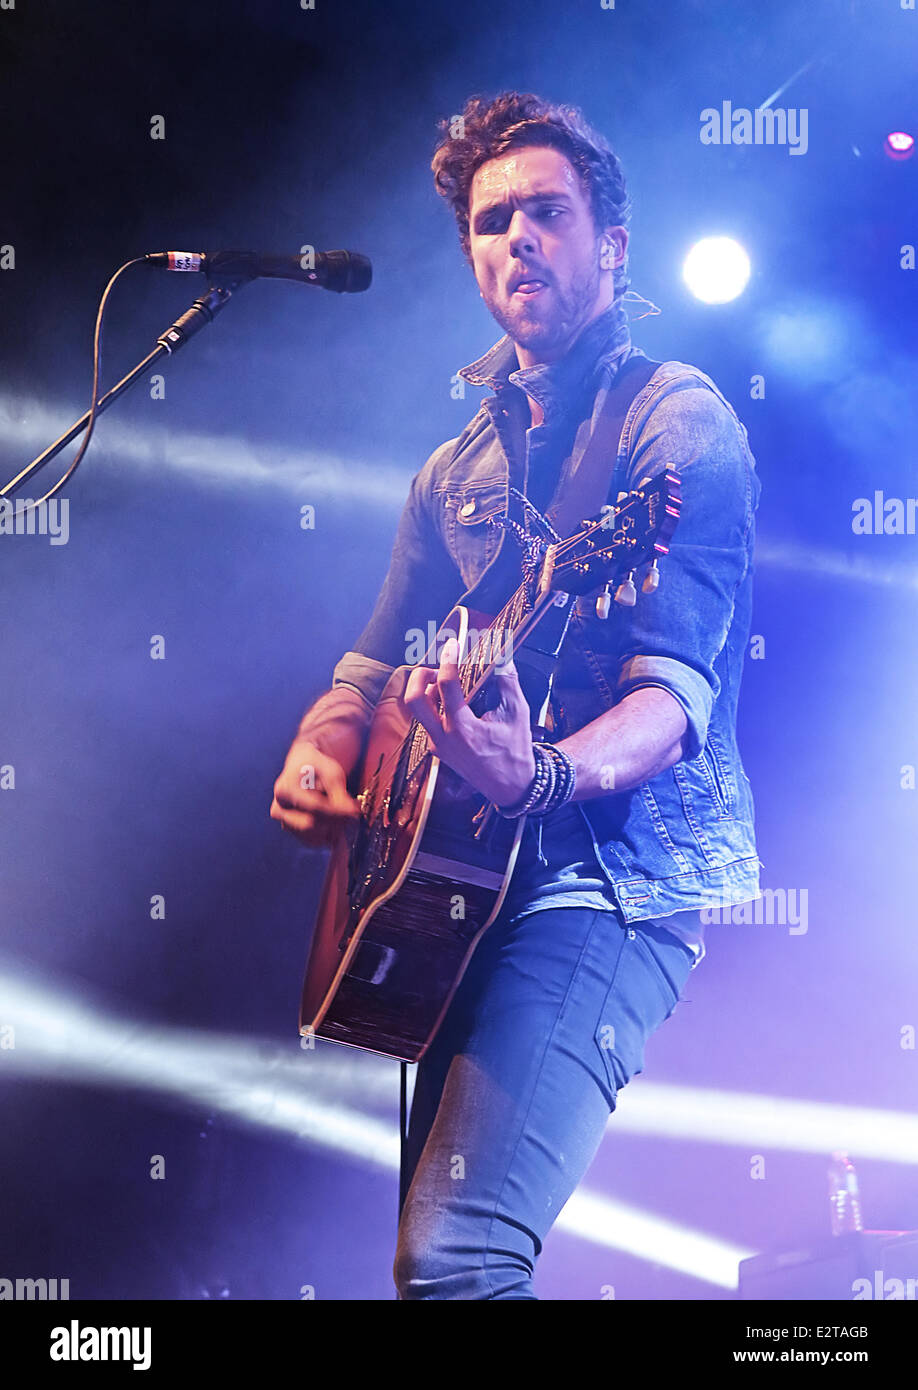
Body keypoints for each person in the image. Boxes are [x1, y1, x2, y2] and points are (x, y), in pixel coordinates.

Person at [270, 91, 762, 1300]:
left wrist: (536, 773)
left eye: (546, 211)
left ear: (614, 244)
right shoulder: (456, 466)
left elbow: (672, 700)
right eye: (492, 222)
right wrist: (326, 744)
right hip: (453, 887)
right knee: (425, 1274)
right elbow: (371, 663)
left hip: (610, 881)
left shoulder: (677, 422)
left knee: (457, 1261)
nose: (516, 239)